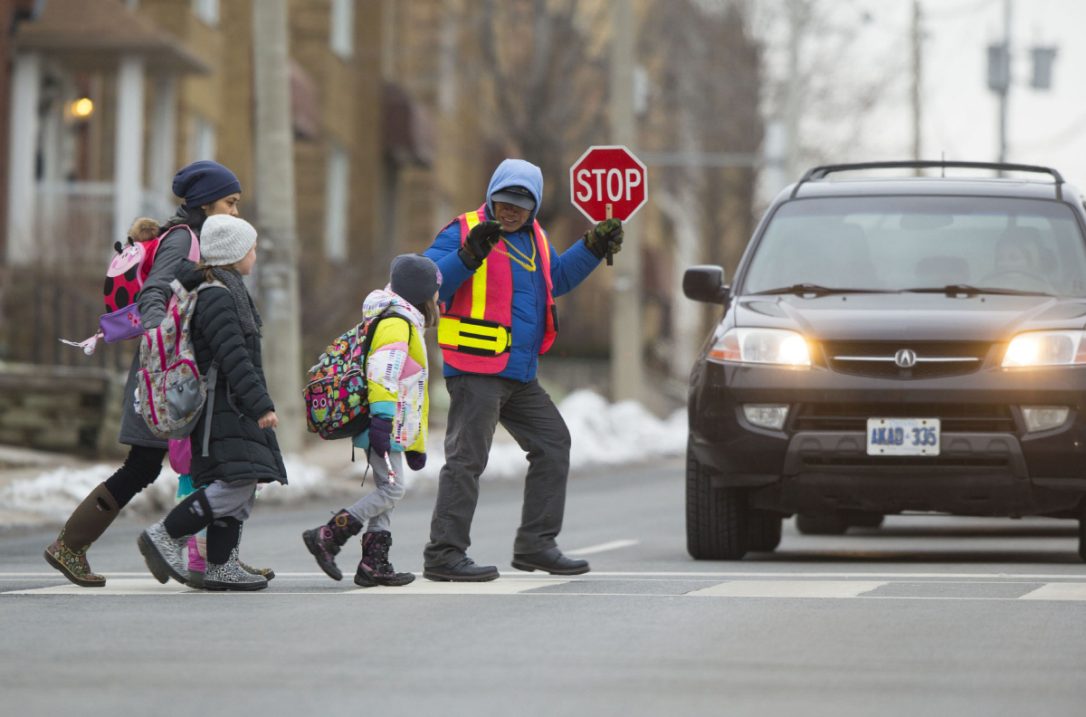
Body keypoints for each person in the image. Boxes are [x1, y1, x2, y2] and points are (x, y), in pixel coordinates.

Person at [44, 160, 246, 588]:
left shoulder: (194, 238)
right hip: (165, 369)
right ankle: (70, 546)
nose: (235, 212)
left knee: (194, 462)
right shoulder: (183, 239)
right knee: (147, 464)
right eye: (231, 203)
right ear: (207, 204)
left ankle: (214, 559)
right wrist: (161, 338)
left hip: (176, 366)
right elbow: (155, 290)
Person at [421, 158, 624, 582]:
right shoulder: (463, 229)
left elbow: (558, 280)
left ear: (534, 206)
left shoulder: (535, 239)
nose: (510, 211)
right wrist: (468, 254)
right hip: (475, 367)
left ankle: (536, 544)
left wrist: (592, 247)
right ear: (491, 196)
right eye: (504, 202)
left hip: (519, 372)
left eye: (520, 205)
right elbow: (428, 279)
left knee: (553, 444)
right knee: (467, 459)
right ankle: (444, 553)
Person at [137, 214, 286, 591]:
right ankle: (165, 535)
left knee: (243, 481)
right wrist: (260, 405)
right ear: (235, 253)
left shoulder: (226, 289)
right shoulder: (218, 295)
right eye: (251, 247)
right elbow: (233, 355)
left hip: (231, 405)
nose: (255, 253)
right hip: (226, 407)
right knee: (235, 482)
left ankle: (220, 565)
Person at [302, 254, 441, 587]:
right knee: (393, 490)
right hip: (384, 423)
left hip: (393, 425)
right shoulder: (396, 322)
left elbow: (413, 390)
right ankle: (328, 534)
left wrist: (415, 444)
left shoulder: (404, 320)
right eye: (435, 291)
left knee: (386, 490)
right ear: (421, 292)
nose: (439, 297)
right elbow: (383, 373)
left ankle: (373, 564)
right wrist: (380, 420)